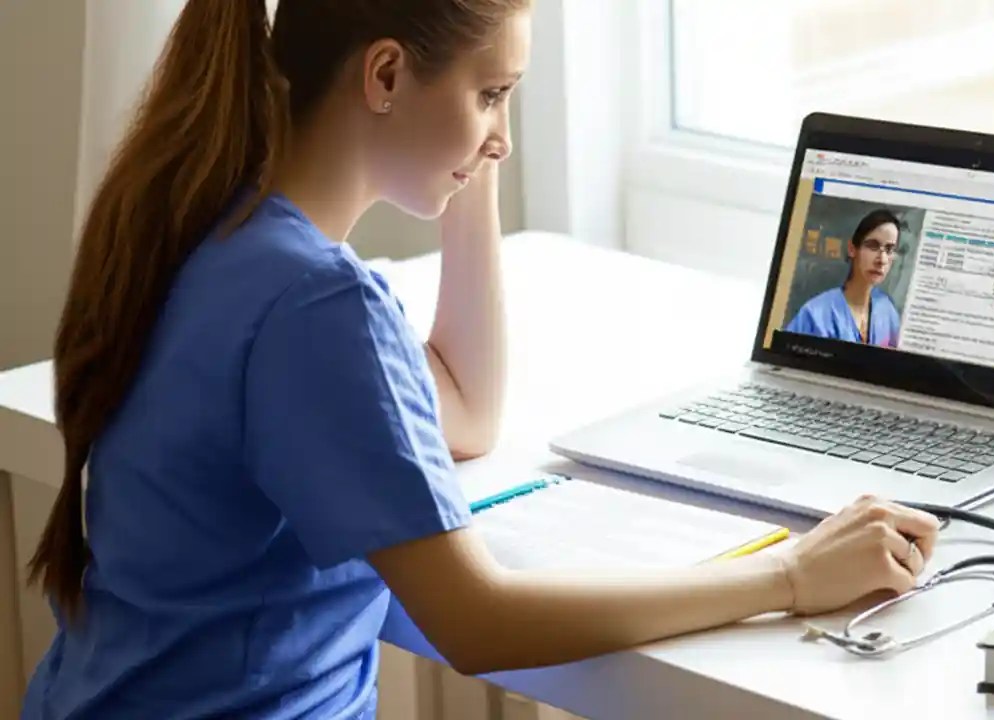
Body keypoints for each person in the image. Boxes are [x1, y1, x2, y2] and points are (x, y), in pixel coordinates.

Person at [20, 2, 940, 718]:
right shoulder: (318, 303)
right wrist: (790, 577)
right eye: (493, 94)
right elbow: (478, 622)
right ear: (384, 72)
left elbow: (461, 410)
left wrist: (471, 152)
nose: (502, 133)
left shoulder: (210, 231)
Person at [786, 209, 904, 347]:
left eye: (889, 250)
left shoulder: (886, 310)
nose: (882, 260)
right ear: (852, 249)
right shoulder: (815, 314)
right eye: (873, 246)